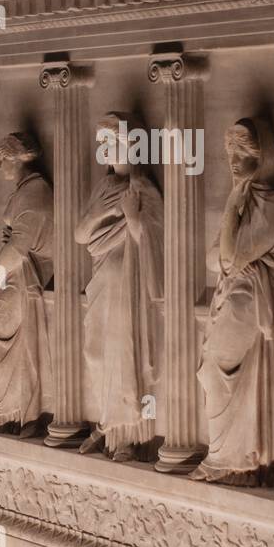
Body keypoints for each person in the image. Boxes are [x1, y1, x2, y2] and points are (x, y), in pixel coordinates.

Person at [192, 119, 274, 486]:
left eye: (243, 152)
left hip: (251, 298)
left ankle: (228, 459)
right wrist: (235, 203)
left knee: (215, 369)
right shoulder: (245, 202)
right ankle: (226, 455)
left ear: (262, 155)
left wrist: (234, 199)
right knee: (208, 371)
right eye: (230, 151)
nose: (234, 160)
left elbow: (229, 257)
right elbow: (212, 257)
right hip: (231, 292)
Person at [76, 113, 165, 462]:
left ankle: (124, 435)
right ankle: (107, 423)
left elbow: (153, 240)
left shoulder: (143, 190)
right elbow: (82, 235)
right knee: (95, 354)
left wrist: (130, 216)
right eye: (102, 146)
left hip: (130, 287)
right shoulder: (104, 188)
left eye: (111, 144)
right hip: (102, 283)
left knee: (124, 358)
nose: (106, 152)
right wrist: (98, 212)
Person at [0, 133, 53, 437]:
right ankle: (9, 410)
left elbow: (19, 245)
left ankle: (21, 412)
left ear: (17, 158)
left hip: (23, 280)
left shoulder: (35, 192)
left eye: (3, 159)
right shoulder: (23, 191)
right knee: (1, 341)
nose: (0, 166)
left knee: (13, 343)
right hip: (14, 279)